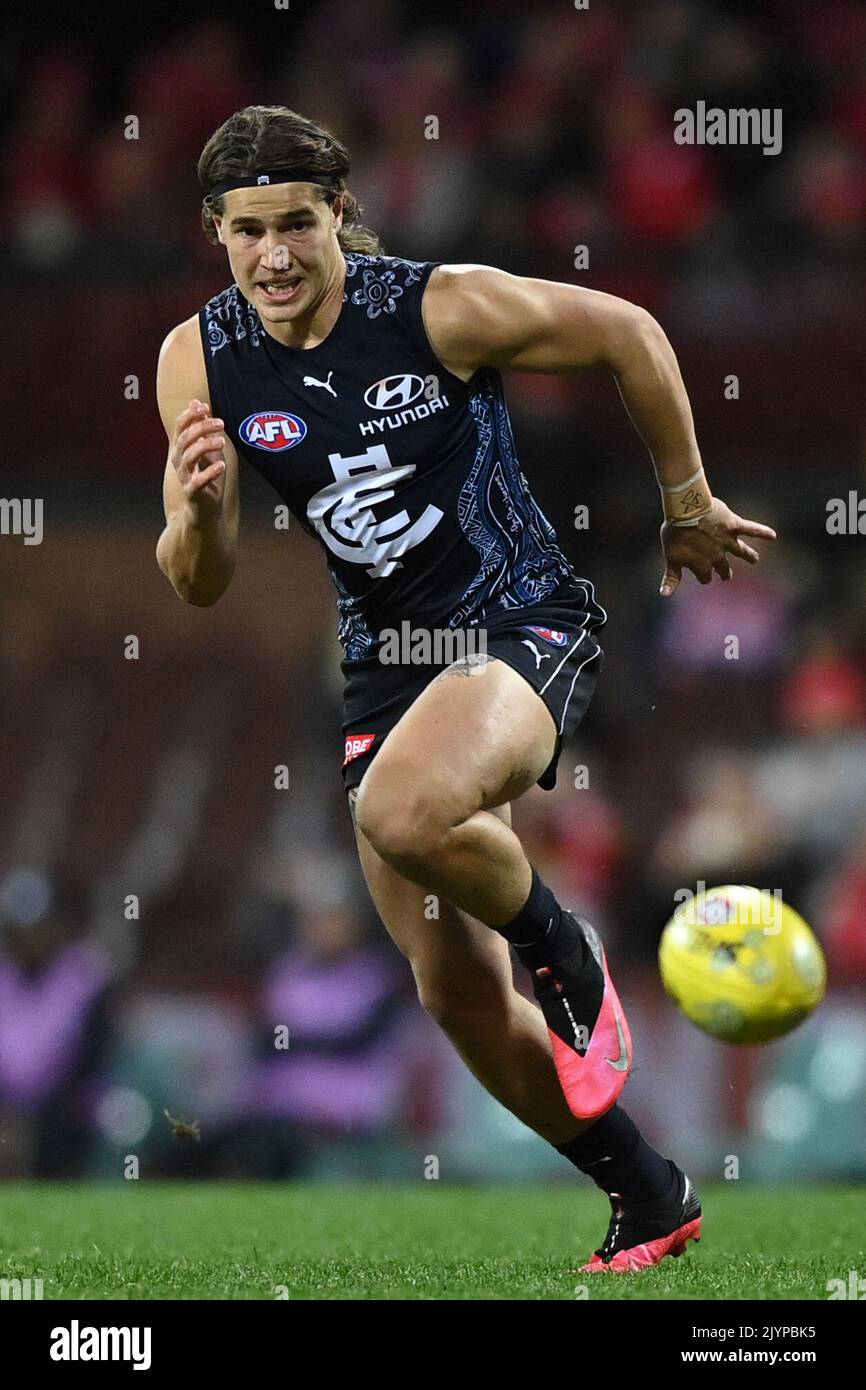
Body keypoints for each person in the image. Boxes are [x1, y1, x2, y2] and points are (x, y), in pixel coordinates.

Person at [156, 106, 776, 1271]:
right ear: (216, 233)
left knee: (405, 810)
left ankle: (569, 953)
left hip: (519, 619)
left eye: (298, 222)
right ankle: (646, 1192)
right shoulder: (198, 358)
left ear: (339, 214)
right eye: (249, 231)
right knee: (452, 995)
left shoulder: (435, 304)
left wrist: (684, 500)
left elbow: (627, 328)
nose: (276, 254)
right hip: (386, 668)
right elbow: (196, 583)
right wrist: (194, 514)